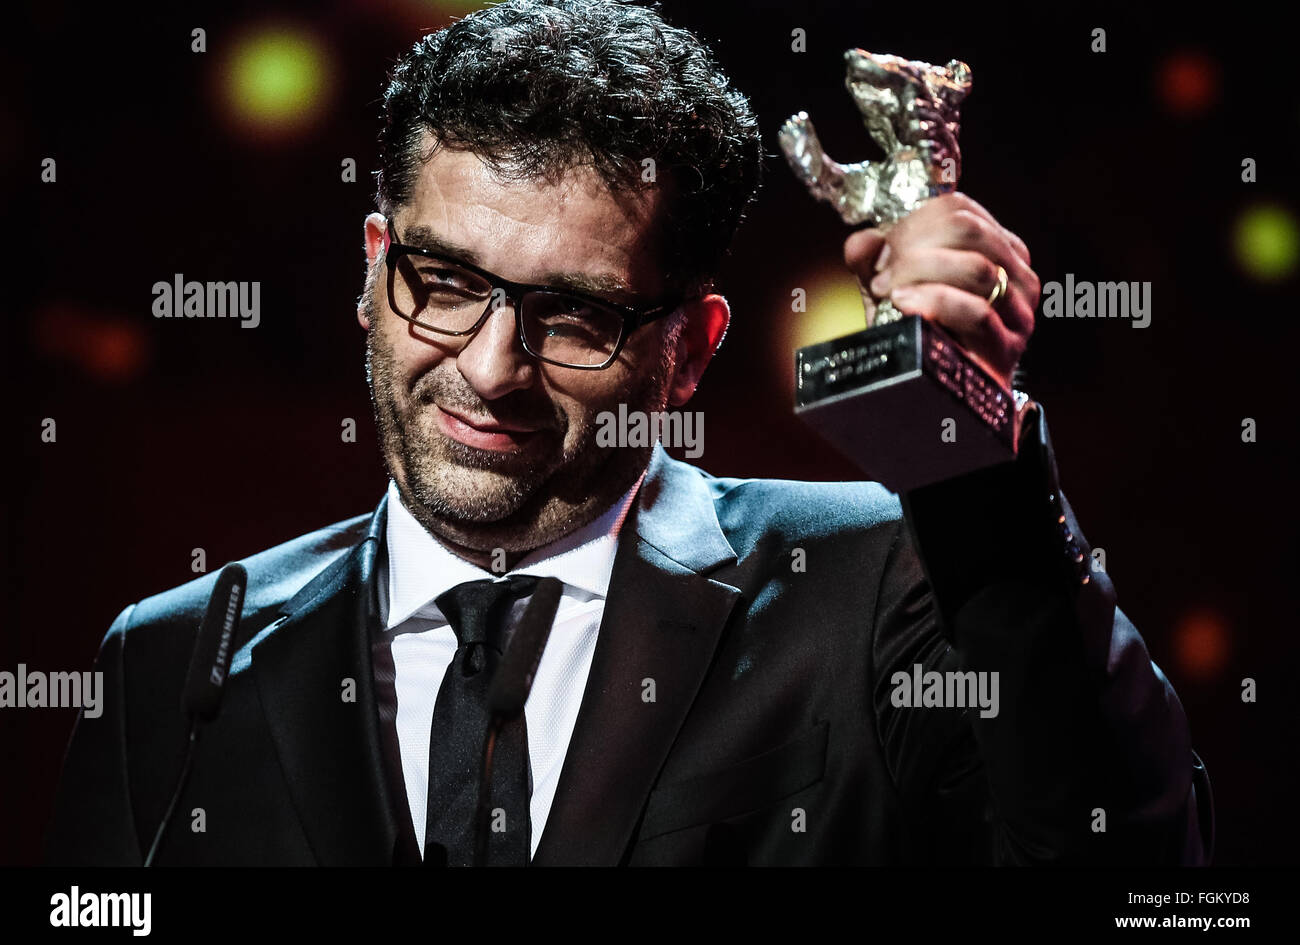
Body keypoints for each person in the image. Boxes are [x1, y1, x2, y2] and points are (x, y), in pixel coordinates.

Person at [47, 0, 1213, 866]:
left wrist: (971, 453)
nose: (492, 368)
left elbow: (1134, 867)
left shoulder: (874, 586)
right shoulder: (172, 663)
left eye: (577, 315)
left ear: (692, 347)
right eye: (444, 283)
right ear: (371, 268)